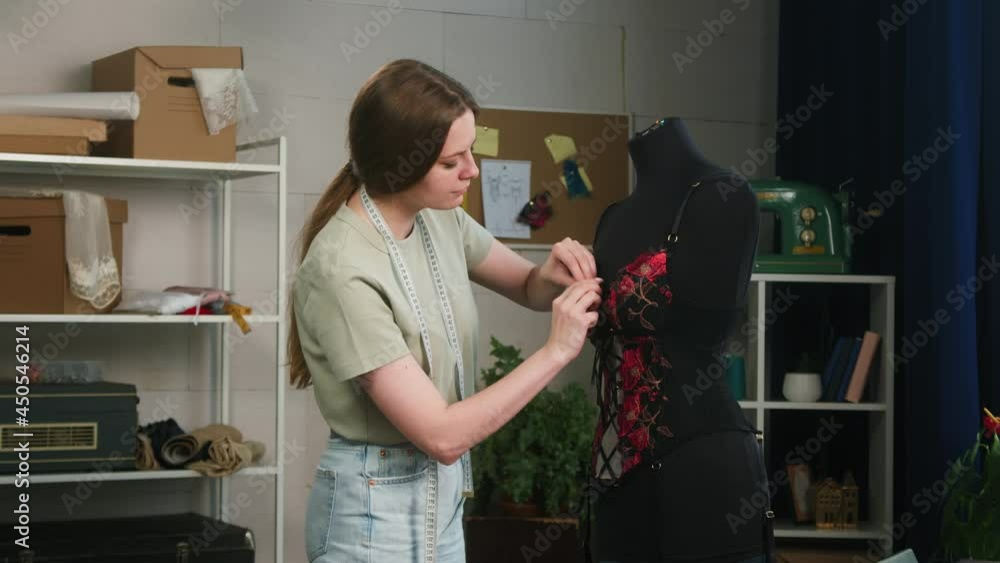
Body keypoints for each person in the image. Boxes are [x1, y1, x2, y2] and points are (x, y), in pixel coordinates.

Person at [286, 59, 602, 563]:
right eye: (452, 161)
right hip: (372, 510)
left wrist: (553, 272)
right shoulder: (342, 269)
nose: (472, 171)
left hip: (442, 499)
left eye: (471, 152)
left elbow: (526, 285)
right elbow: (443, 435)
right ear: (401, 164)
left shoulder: (439, 218)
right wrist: (556, 352)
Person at [586, 117, 774, 563]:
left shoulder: (723, 197)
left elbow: (710, 321)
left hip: (707, 470)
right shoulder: (612, 218)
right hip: (620, 476)